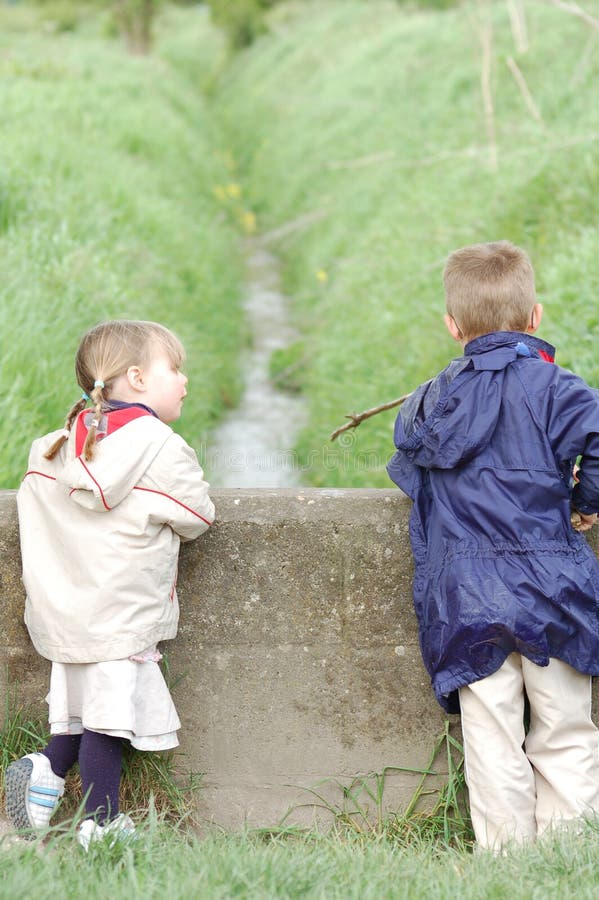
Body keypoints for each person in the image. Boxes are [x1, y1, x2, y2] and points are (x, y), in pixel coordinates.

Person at [387, 241, 599, 850]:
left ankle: (505, 862)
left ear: (453, 326)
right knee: (563, 729)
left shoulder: (433, 400)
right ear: (536, 318)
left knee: (492, 736)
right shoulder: (557, 388)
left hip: (465, 594)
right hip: (553, 588)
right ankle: (568, 857)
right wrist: (586, 503)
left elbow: (409, 447)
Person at [5, 320, 214, 849]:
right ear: (138, 378)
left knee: (81, 705)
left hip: (67, 607)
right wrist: (152, 507)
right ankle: (101, 824)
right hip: (121, 607)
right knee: (109, 715)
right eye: (176, 369)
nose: (185, 381)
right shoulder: (159, 446)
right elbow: (198, 515)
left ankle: (46, 768)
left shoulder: (63, 442)